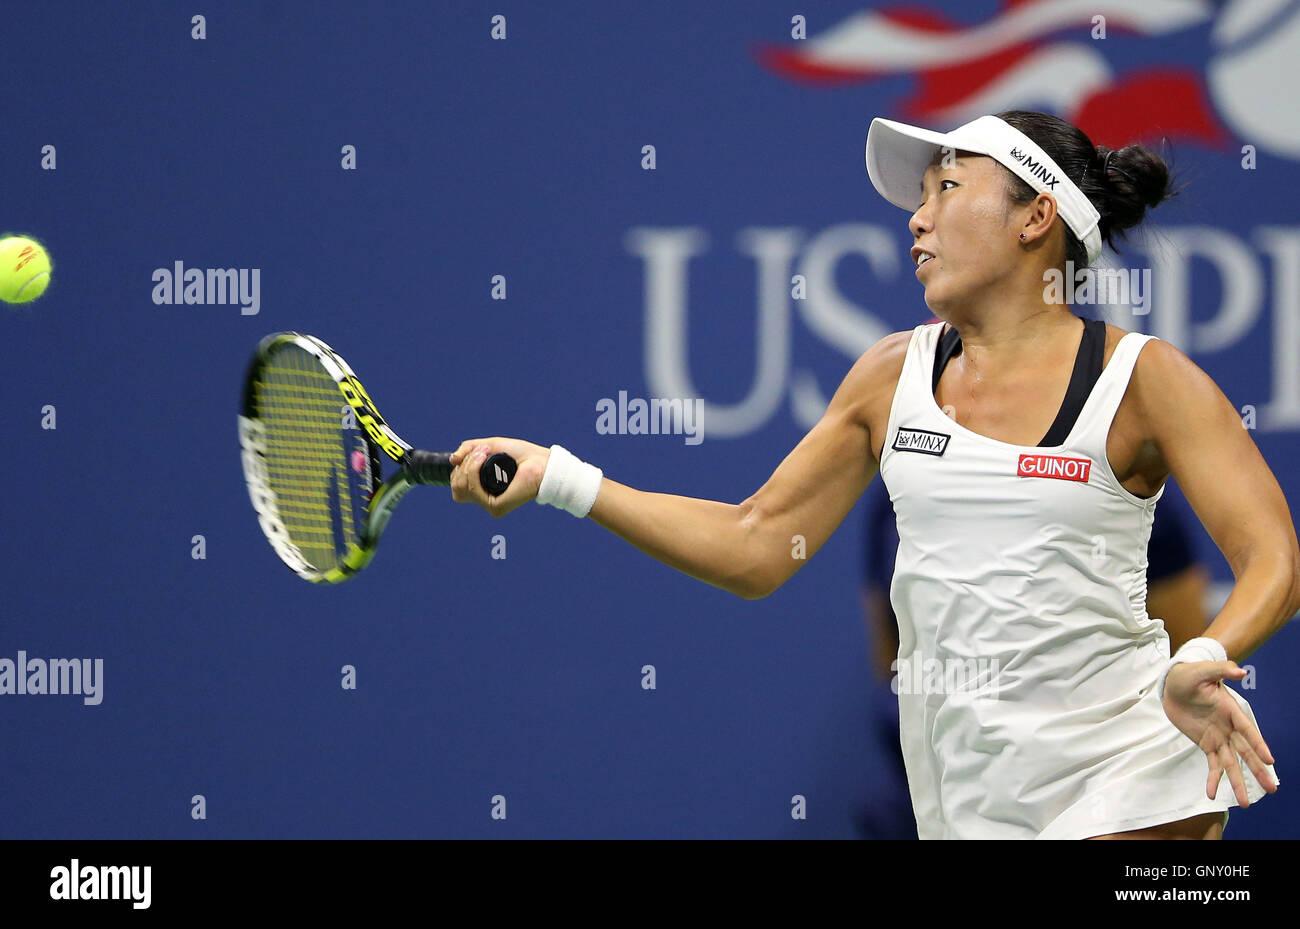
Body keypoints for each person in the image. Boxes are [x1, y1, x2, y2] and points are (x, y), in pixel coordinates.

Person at [445, 110, 1299, 839]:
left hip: (1137, 777)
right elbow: (755, 546)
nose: (916, 220)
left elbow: (1276, 561)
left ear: (1035, 215)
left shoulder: (1146, 380)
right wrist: (560, 474)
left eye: (946, 188)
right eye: (920, 198)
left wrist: (1207, 654)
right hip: (967, 805)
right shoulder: (893, 378)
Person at [855, 473, 1212, 839]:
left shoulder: (1124, 478)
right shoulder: (906, 478)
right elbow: (892, 647)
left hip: (1081, 787)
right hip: (925, 787)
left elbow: (1181, 646)